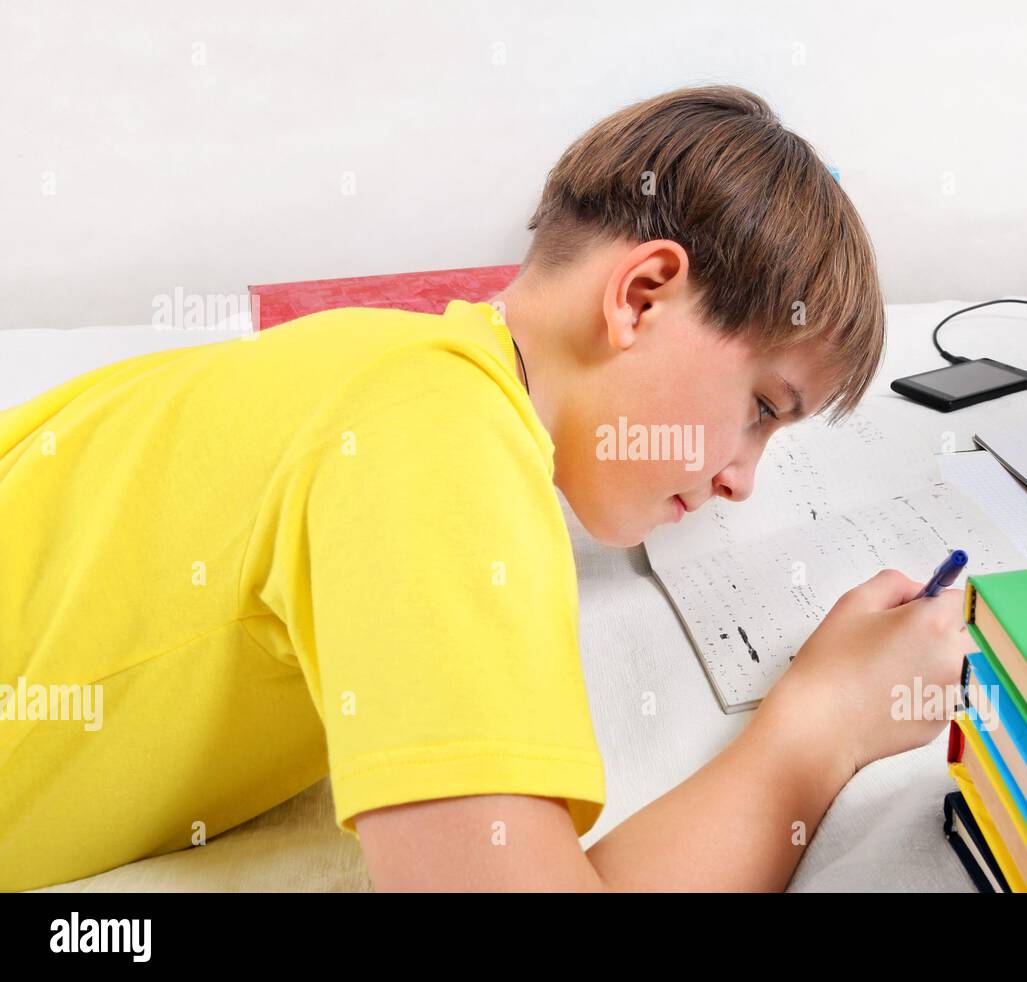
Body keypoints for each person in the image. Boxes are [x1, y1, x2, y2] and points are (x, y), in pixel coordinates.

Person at [0, 85, 972, 892]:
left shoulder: (388, 357)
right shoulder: (431, 438)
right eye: (761, 405)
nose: (740, 482)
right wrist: (821, 727)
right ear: (640, 298)